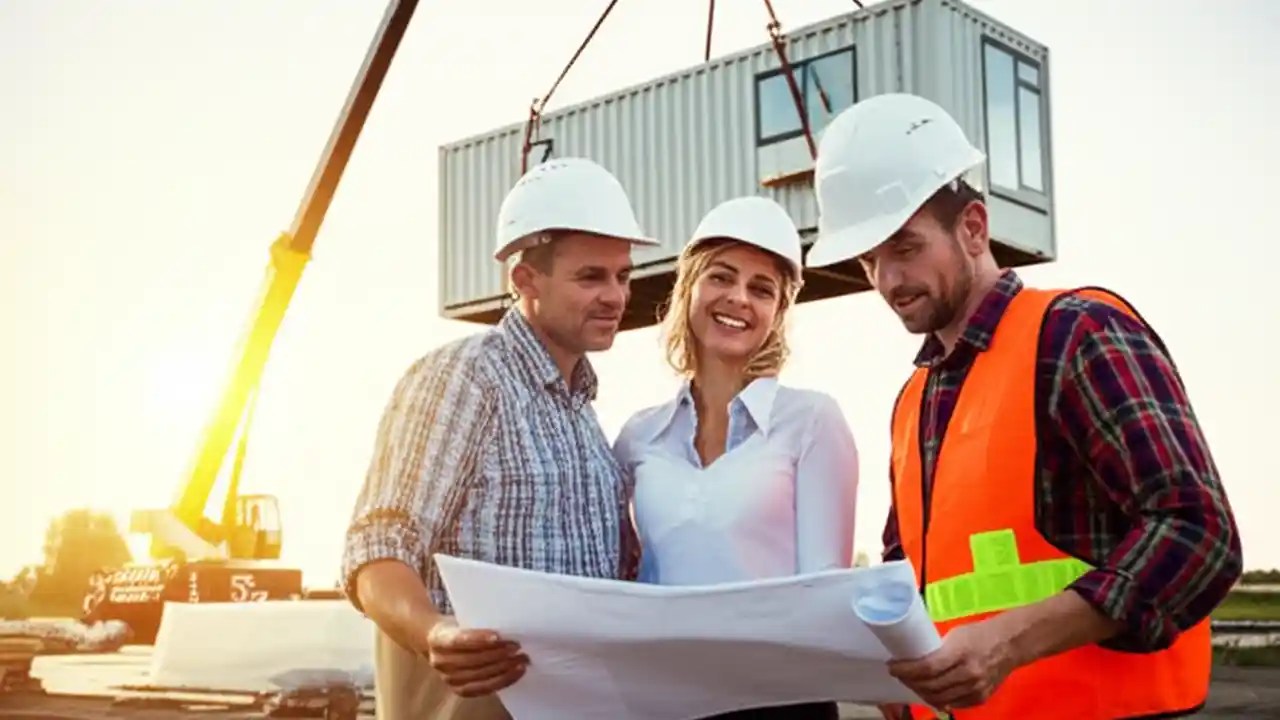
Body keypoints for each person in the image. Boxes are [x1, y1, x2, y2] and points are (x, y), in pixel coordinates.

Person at [804, 92, 1243, 720]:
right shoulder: (914, 400)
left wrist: (1008, 644)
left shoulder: (1076, 335)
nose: (887, 281)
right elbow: (910, 573)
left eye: (904, 247)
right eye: (869, 260)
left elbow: (1200, 536)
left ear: (974, 228)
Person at [340, 157, 657, 720]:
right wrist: (434, 631)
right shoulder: (461, 379)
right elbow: (379, 545)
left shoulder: (583, 414)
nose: (615, 295)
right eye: (591, 276)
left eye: (623, 275)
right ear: (525, 279)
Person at [613, 195, 861, 720]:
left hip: (780, 703)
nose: (739, 298)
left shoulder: (813, 422)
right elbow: (624, 581)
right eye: (721, 277)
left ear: (778, 313)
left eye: (761, 288)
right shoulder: (638, 437)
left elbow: (824, 593)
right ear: (690, 289)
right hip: (663, 703)